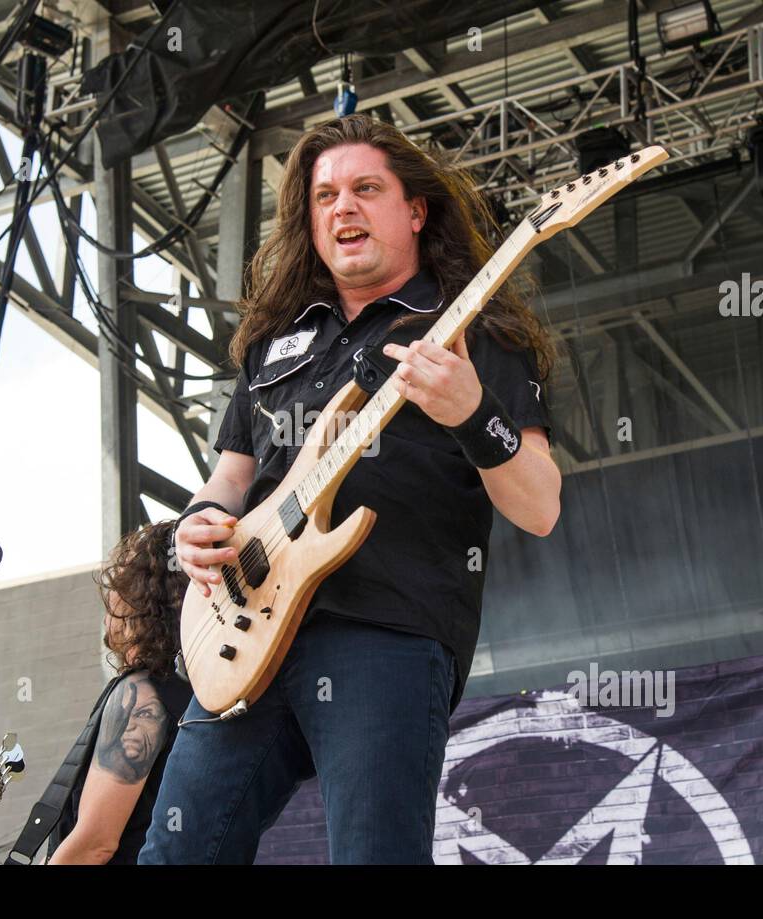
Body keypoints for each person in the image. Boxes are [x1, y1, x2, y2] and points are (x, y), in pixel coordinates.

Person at [139, 114, 562, 865]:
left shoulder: (473, 330)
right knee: (176, 854)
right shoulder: (276, 344)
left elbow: (539, 505)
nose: (343, 207)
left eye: (367, 188)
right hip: (246, 630)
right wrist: (197, 524)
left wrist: (471, 412)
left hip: (385, 633)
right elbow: (231, 478)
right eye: (326, 194)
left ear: (415, 210)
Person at [14, 521, 191, 865]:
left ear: (132, 603)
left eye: (116, 594)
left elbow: (96, 842)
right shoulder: (197, 698)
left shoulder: (139, 694)